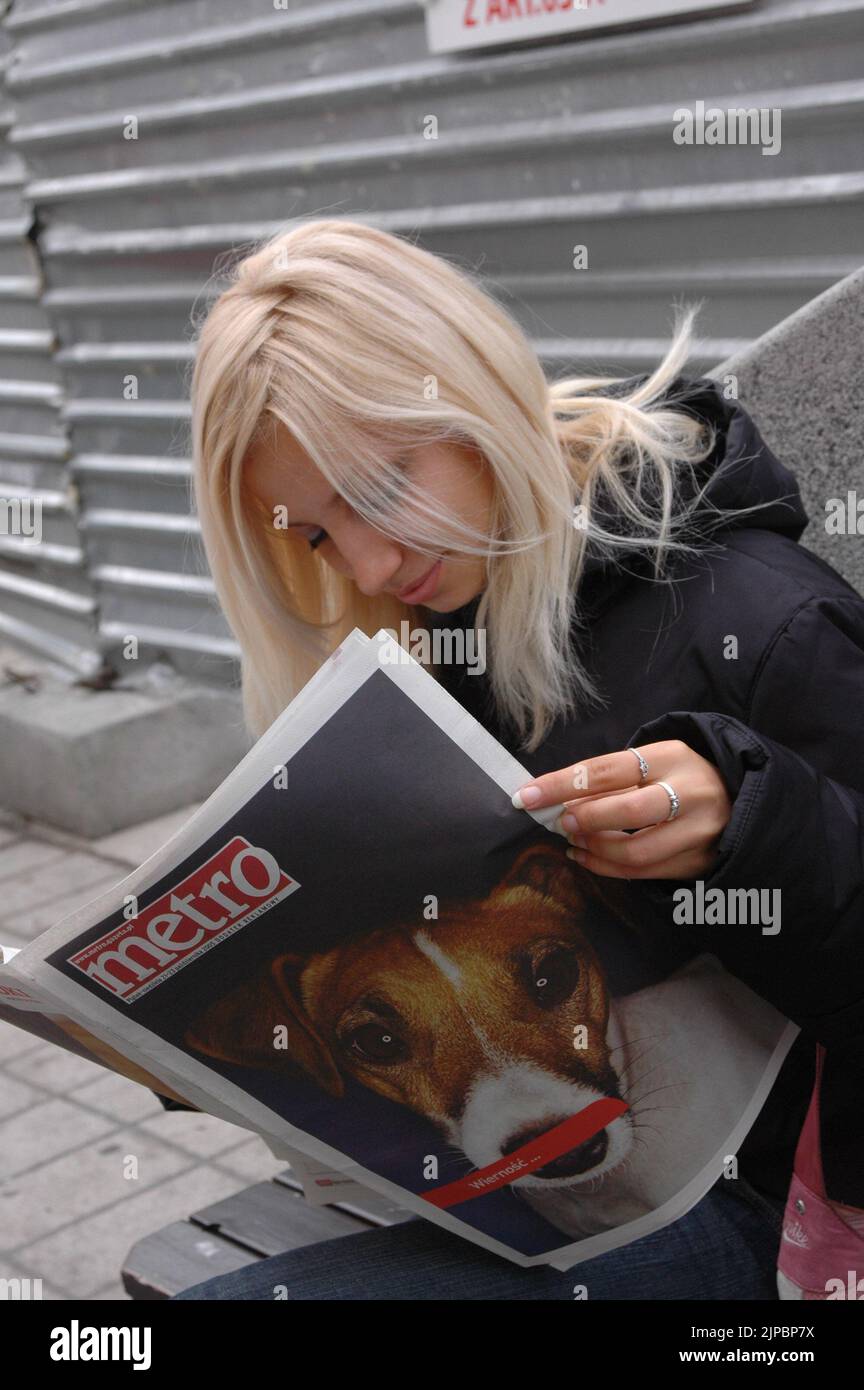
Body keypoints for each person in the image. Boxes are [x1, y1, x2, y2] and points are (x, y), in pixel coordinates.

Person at [170, 218, 864, 1300]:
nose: (365, 560)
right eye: (313, 533)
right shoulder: (442, 633)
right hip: (538, 1191)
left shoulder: (765, 620)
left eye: (380, 488)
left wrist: (755, 827)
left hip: (769, 1214)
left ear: (475, 396)